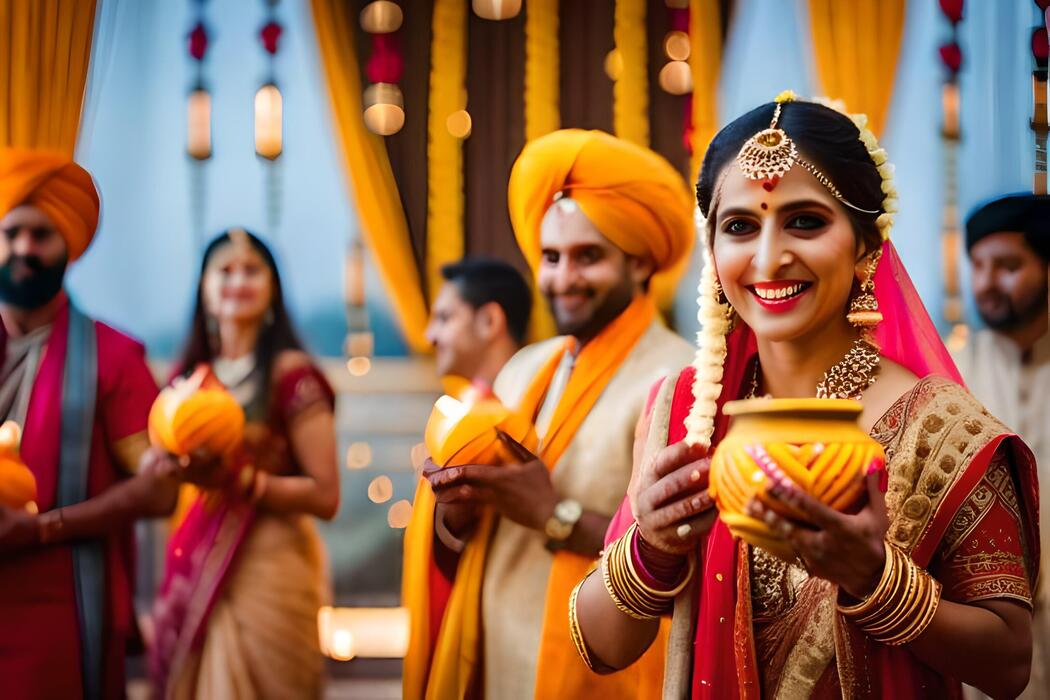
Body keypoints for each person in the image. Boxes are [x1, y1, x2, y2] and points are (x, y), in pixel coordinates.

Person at [571, 94, 1040, 699]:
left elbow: (1009, 664)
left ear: (866, 246)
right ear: (713, 252)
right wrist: (651, 550)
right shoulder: (686, 409)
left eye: (805, 221)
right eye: (740, 227)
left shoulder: (946, 432)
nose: (769, 258)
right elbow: (603, 647)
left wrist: (874, 579)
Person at [403, 129, 697, 699]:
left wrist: (552, 514)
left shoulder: (677, 378)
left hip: (600, 672)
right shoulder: (523, 369)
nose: (564, 279)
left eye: (588, 257)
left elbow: (681, 555)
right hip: (496, 660)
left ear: (639, 264)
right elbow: (463, 537)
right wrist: (456, 513)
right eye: (552, 258)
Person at [0, 148, 182, 699]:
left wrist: (44, 527)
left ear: (69, 247)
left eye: (41, 235)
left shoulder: (114, 355)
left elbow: (160, 492)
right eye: (11, 235)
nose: (23, 250)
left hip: (60, 606)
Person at [150, 229, 340, 699]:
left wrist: (241, 481)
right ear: (204, 290)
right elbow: (162, 488)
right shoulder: (187, 381)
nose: (238, 281)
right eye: (225, 271)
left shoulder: (293, 377)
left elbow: (326, 495)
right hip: (195, 554)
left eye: (252, 270)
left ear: (273, 287)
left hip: (270, 566)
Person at [954, 193, 1049, 699]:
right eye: (979, 265)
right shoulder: (950, 376)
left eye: (1009, 266)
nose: (987, 283)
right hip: (984, 623)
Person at [425, 256, 532, 386]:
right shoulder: (479, 401)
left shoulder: (537, 402)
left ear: (489, 321)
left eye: (445, 318)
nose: (429, 337)